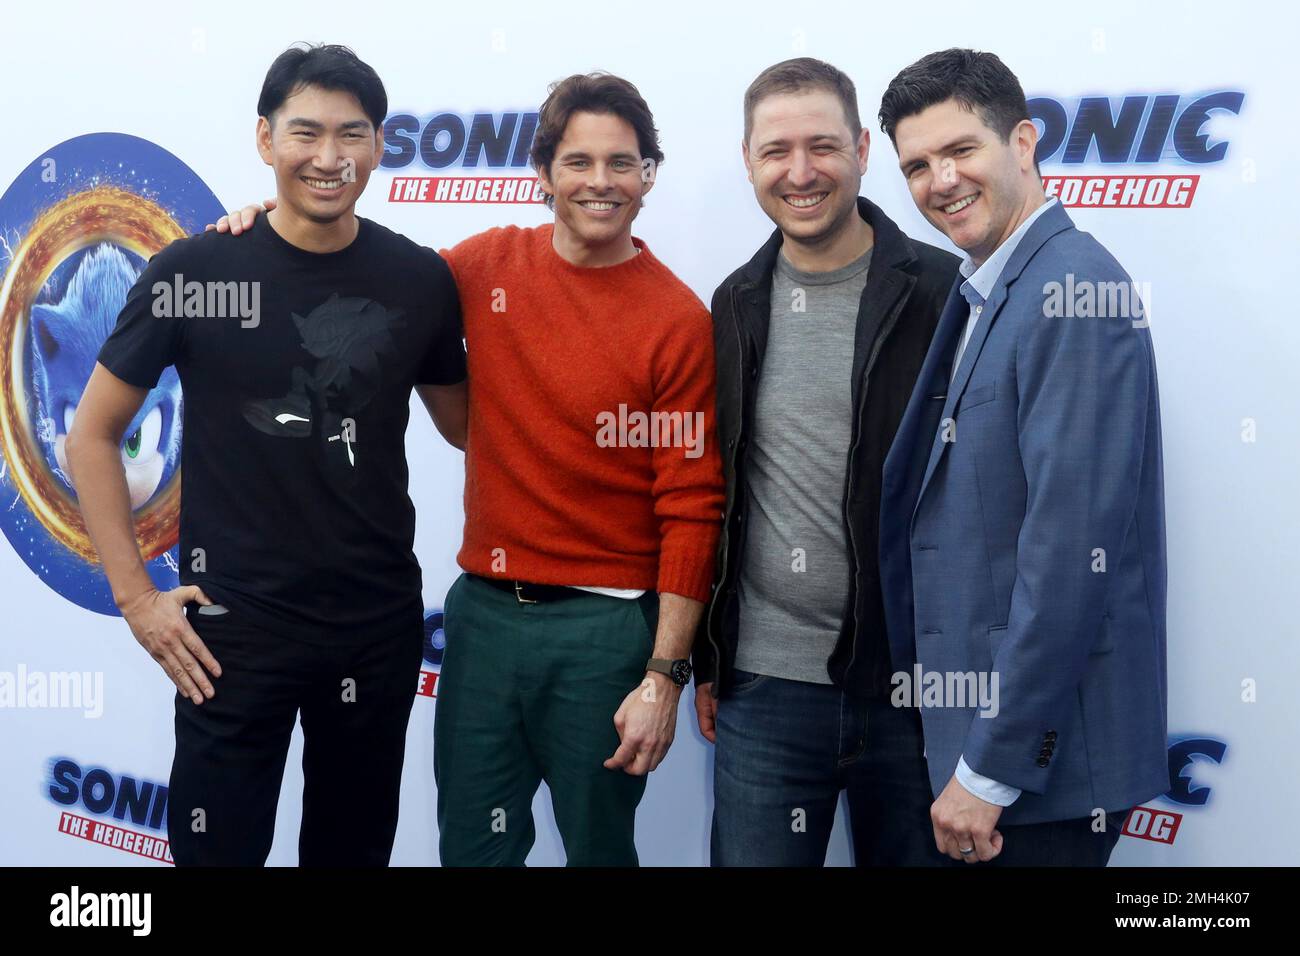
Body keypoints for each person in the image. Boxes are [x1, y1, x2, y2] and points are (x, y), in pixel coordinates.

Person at [216, 72, 724, 866]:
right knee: (472, 852)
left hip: (606, 630)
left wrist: (663, 672)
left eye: (623, 163)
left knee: (600, 850)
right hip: (482, 620)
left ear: (649, 175)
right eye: (579, 162)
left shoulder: (678, 320)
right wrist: (258, 227)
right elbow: (360, 271)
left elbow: (694, 506)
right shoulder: (483, 266)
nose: (600, 182)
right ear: (544, 172)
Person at [66, 43, 468, 866]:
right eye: (306, 133)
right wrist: (137, 596)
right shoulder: (196, 269)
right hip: (230, 633)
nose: (329, 159)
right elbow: (91, 434)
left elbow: (469, 428)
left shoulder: (418, 278)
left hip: (376, 627)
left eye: (352, 135)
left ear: (380, 144)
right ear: (264, 139)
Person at [877, 48, 1169, 865]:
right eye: (917, 166)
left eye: (961, 150)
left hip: (1038, 773)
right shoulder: (997, 284)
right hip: (994, 751)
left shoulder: (1070, 290)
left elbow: (1073, 557)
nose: (941, 181)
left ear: (1025, 143)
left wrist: (991, 769)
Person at [692, 58, 960, 866]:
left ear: (863, 150)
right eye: (776, 151)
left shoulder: (946, 292)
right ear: (747, 160)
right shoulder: (734, 301)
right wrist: (707, 654)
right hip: (764, 691)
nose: (800, 172)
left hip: (915, 692)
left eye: (822, 147)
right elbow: (718, 490)